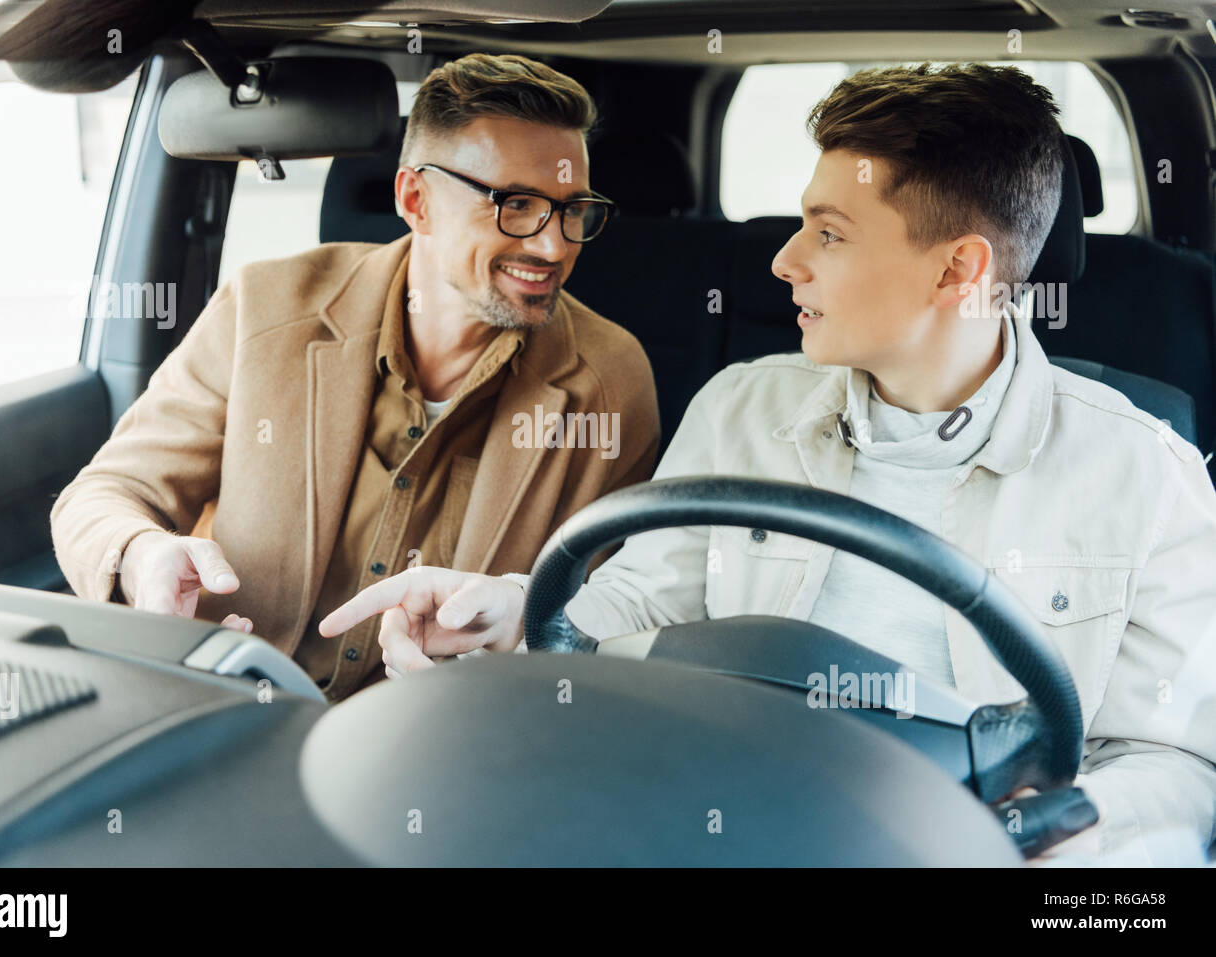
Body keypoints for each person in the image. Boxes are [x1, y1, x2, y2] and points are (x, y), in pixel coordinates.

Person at [322, 63, 1216, 864]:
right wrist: (513, 616)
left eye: (829, 234)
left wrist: (1054, 832)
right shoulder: (742, 406)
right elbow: (644, 604)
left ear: (959, 272)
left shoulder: (1148, 477)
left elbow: (1177, 758)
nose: (784, 261)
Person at [50, 53, 660, 702]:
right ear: (414, 199)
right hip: (224, 704)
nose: (554, 246)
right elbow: (103, 496)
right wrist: (143, 555)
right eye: (516, 204)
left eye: (573, 210)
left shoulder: (610, 384)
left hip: (447, 742)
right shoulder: (263, 308)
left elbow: (610, 610)